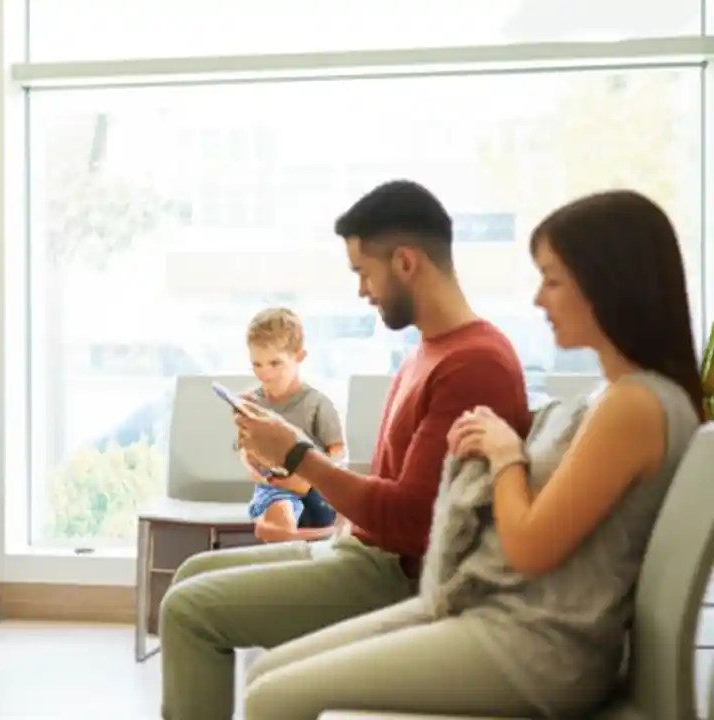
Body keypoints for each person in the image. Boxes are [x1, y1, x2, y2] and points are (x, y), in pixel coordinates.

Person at [235, 190, 706, 718]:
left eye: (552, 280)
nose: (538, 299)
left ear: (608, 283)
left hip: (537, 649)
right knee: (264, 677)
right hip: (509, 619)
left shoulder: (635, 406)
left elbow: (528, 548)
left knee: (272, 697)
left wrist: (507, 455)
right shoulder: (620, 398)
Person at [159, 180, 531, 719]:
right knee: (191, 574)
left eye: (364, 272)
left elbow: (411, 524)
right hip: (358, 548)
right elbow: (396, 485)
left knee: (188, 611)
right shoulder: (428, 353)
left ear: (405, 262)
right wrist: (285, 453)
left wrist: (297, 454)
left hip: (392, 573)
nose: (361, 291)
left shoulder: (474, 365)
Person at [238, 307, 345, 543]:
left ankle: (322, 534)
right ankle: (311, 536)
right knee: (277, 514)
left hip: (315, 488)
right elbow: (246, 452)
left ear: (299, 356)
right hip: (275, 488)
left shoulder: (317, 403)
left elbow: (337, 452)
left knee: (286, 521)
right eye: (257, 364)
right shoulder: (253, 402)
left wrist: (309, 480)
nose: (265, 373)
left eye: (275, 363)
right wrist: (260, 476)